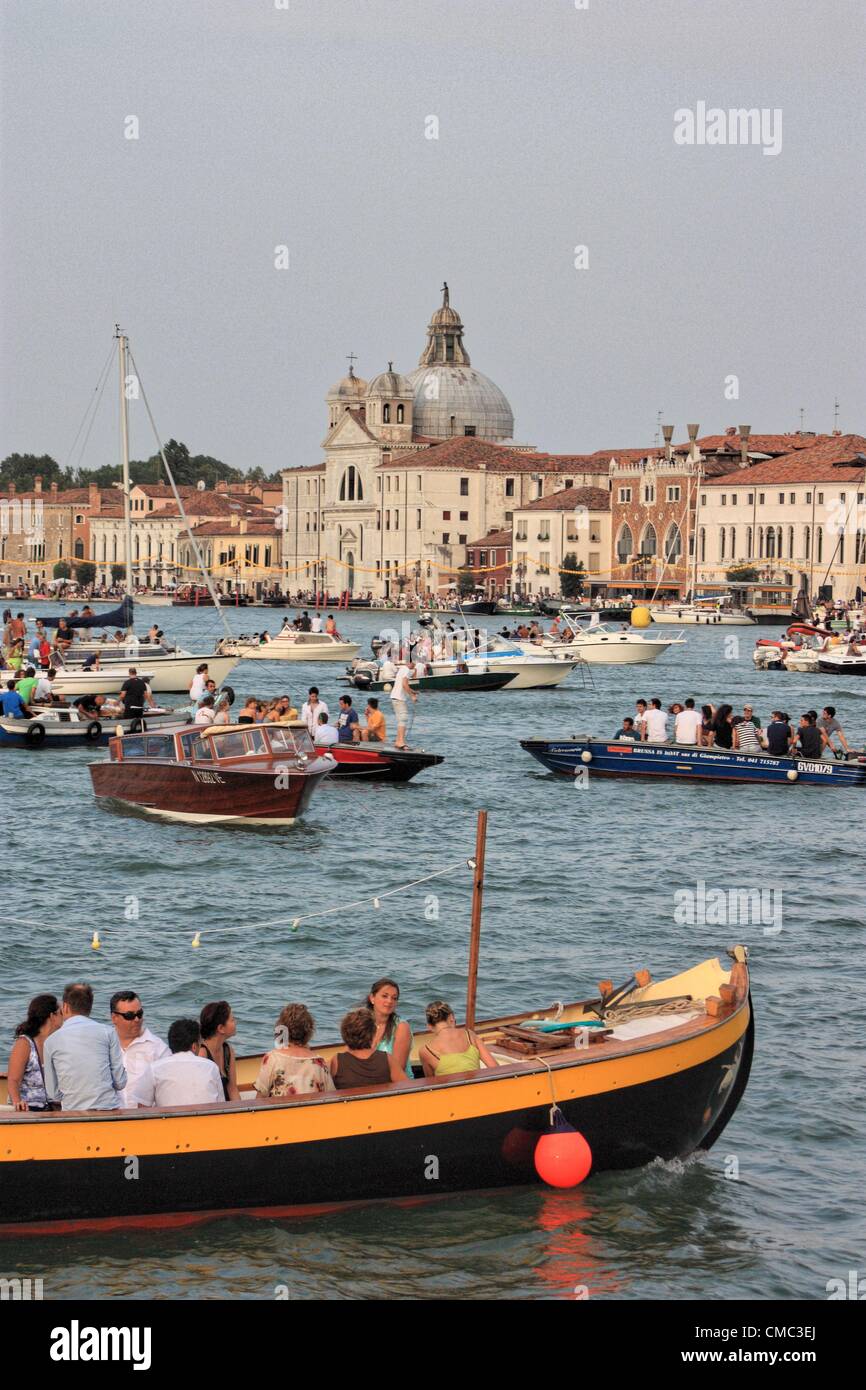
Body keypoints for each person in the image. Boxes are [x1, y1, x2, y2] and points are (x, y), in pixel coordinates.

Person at [43, 982, 128, 1112]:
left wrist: (71, 1097)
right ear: (90, 1007)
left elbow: (53, 1093)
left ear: (65, 1007)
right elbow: (120, 1082)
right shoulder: (108, 1032)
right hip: (107, 1111)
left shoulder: (51, 1041)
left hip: (72, 1112)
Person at [130, 1019, 224, 1108]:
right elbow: (220, 1105)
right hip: (207, 1123)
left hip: (169, 1123)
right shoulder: (211, 1067)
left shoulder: (154, 1069)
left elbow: (142, 1107)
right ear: (194, 1046)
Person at [254, 1004, 335, 1099]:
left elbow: (260, 1097)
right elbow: (330, 1096)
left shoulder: (272, 1058)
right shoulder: (319, 1063)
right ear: (309, 1032)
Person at [109, 990, 170, 1107]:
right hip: (112, 1118)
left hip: (146, 1119)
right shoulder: (103, 1046)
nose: (137, 1020)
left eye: (139, 1014)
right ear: (114, 1018)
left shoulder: (158, 1048)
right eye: (129, 1016)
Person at [6, 993, 63, 1111]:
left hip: (54, 1107)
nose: (64, 1017)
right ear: (52, 1016)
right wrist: (17, 1103)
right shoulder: (25, 1043)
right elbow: (13, 1080)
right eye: (61, 1013)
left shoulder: (58, 1042)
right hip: (29, 1108)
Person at [418, 1002, 500, 1078]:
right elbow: (495, 1068)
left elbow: (431, 1083)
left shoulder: (426, 1051)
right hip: (476, 1088)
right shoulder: (469, 1035)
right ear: (451, 1018)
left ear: (429, 1026)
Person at [330, 1009, 404, 1089]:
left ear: (344, 1033)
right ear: (373, 1033)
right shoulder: (387, 1059)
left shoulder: (337, 1061)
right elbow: (407, 1086)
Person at [365, 976, 413, 1078]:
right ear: (372, 998)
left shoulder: (401, 1027)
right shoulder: (361, 1024)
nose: (390, 1001)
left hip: (398, 1086)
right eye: (385, 996)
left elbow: (398, 1070)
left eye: (394, 998)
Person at [197, 1000, 240, 1101]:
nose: (235, 1022)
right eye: (232, 1020)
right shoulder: (202, 1054)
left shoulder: (228, 1051)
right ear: (221, 1028)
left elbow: (232, 1089)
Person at [390, 659, 417, 750]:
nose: (415, 665)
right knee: (403, 719)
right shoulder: (406, 670)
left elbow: (403, 685)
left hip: (395, 697)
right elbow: (404, 684)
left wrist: (412, 691)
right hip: (399, 698)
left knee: (401, 720)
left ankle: (398, 741)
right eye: (414, 663)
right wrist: (412, 696)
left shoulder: (402, 669)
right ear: (410, 662)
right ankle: (400, 742)